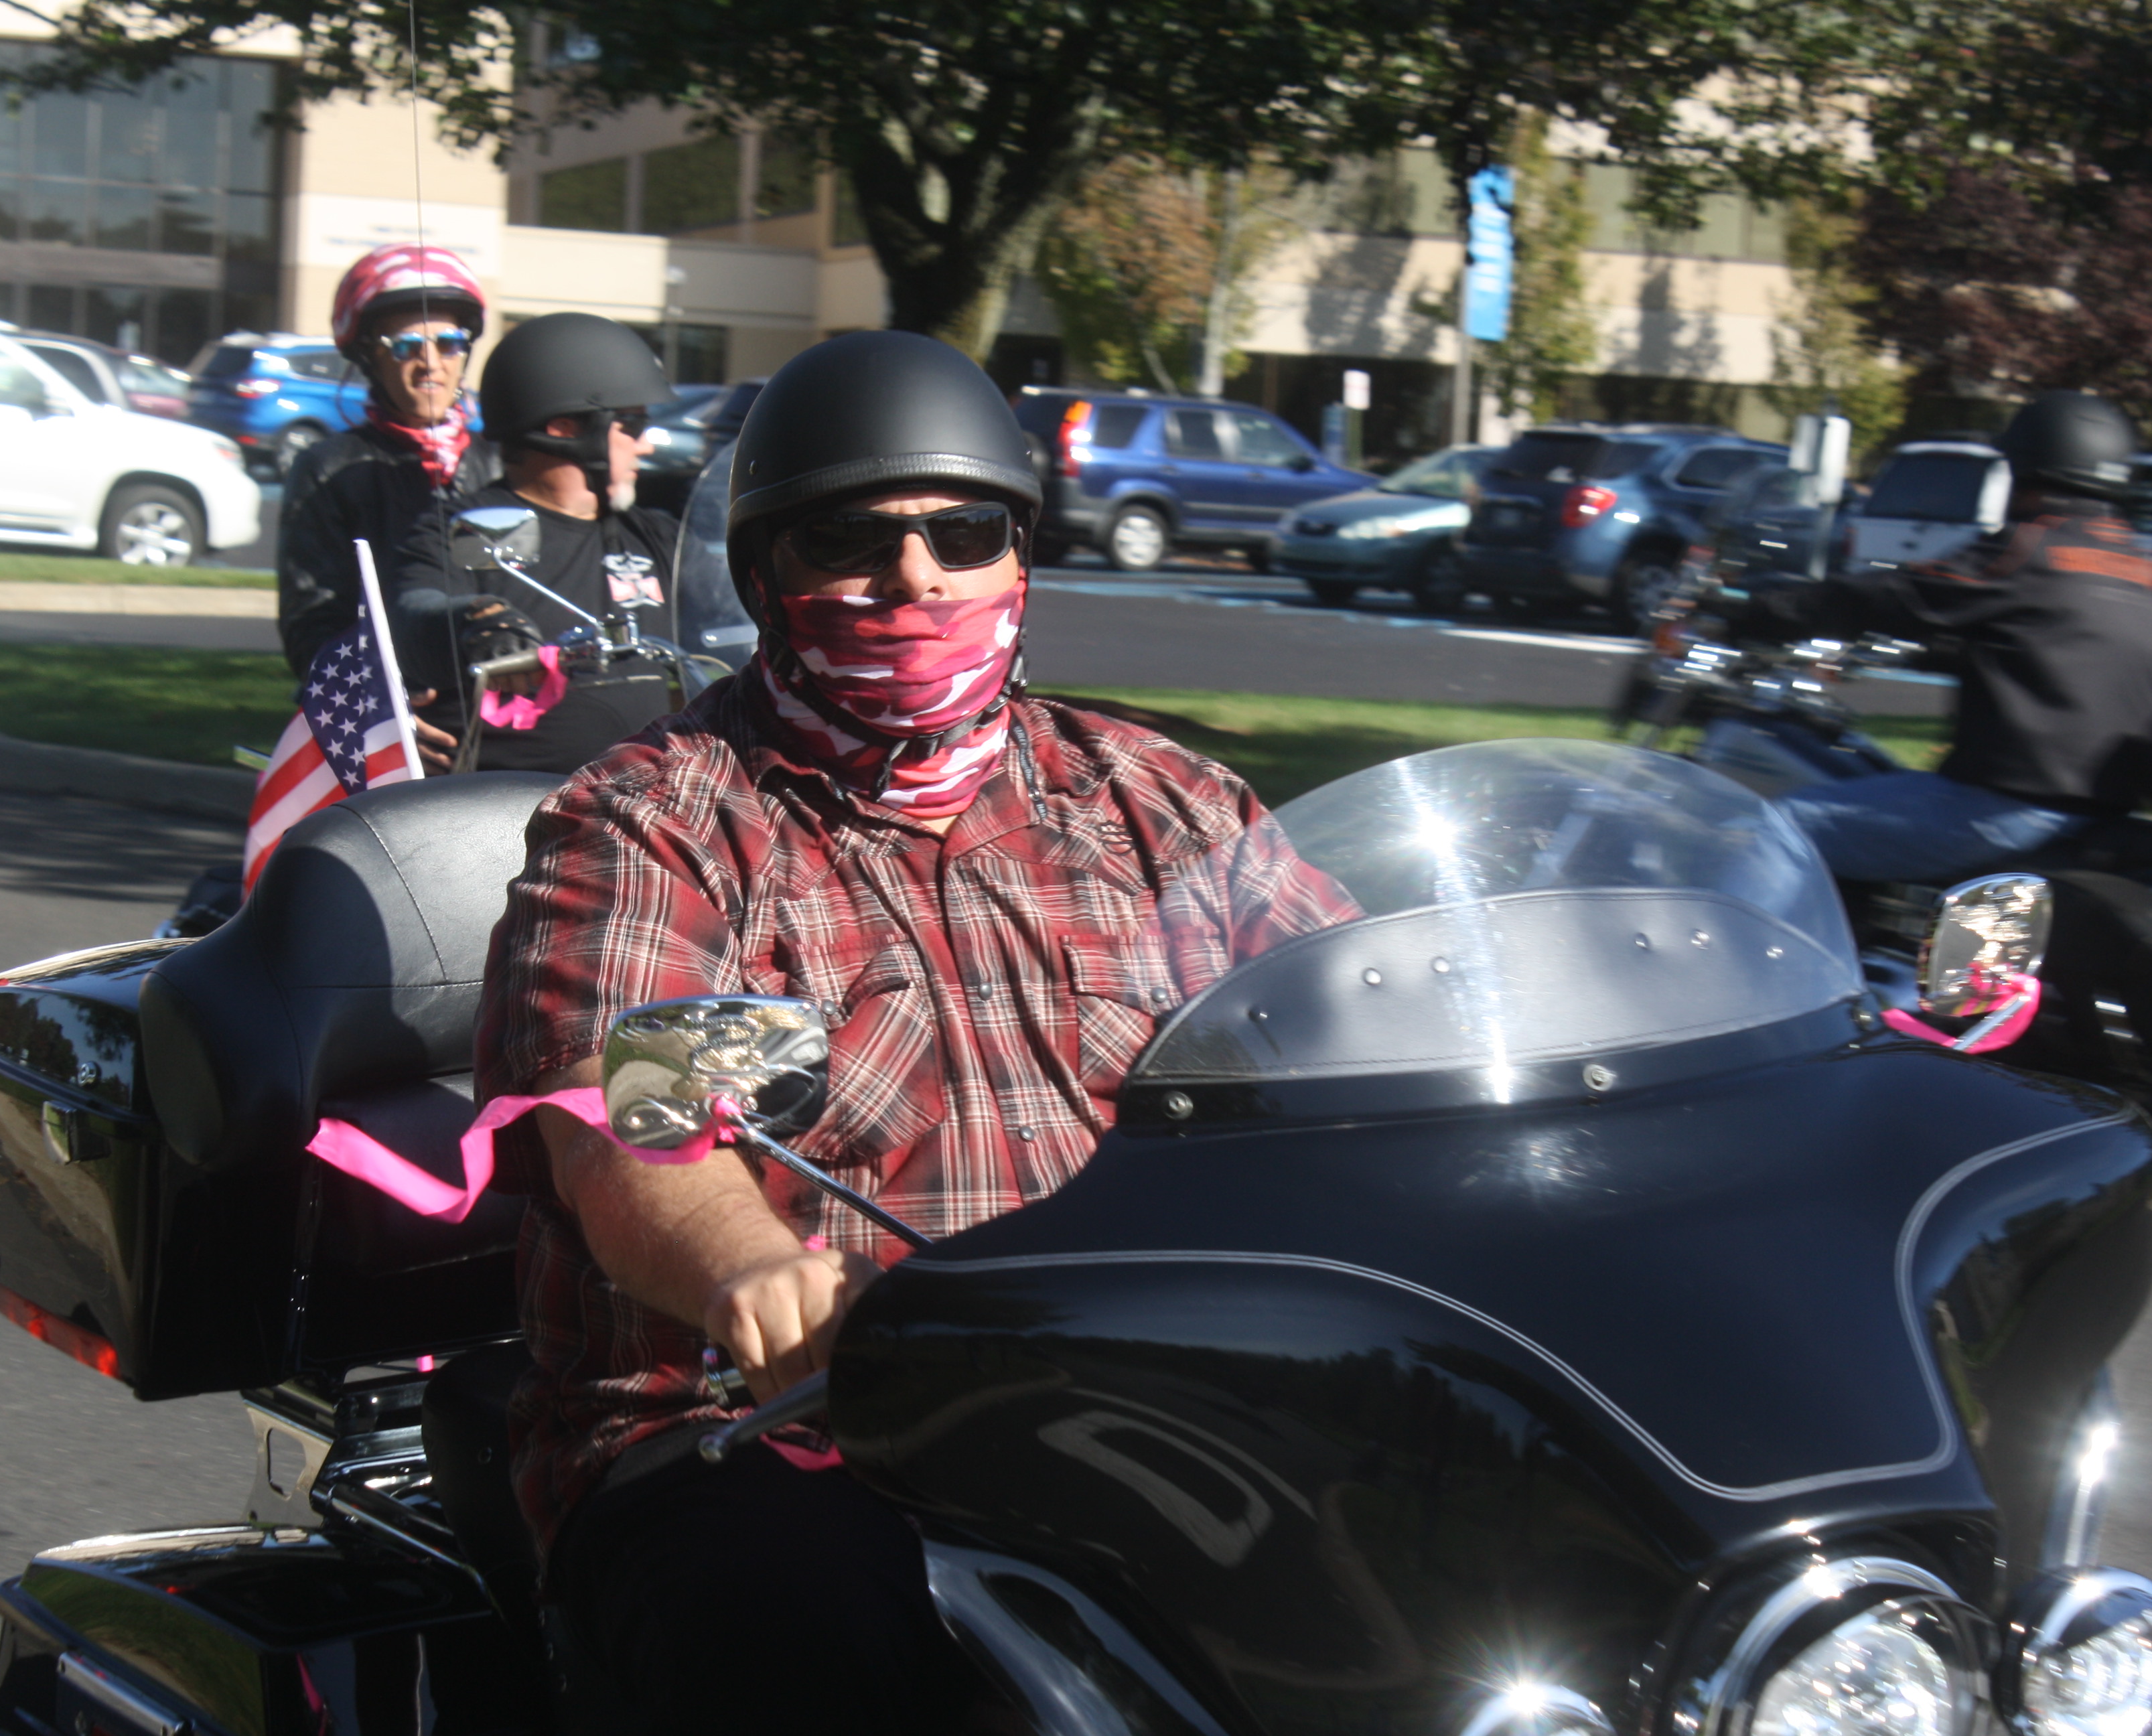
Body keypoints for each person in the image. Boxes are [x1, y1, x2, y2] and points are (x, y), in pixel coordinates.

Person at [470, 330, 1356, 1729]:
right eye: (854, 539)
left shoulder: (1164, 802)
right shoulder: (663, 819)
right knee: (820, 1629)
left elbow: (1368, 1035)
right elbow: (625, 1115)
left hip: (1147, 1405)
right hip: (764, 1433)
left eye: (965, 529)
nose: (918, 576)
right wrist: (750, 1267)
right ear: (769, 574)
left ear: (1020, 557)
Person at [1725, 390, 2152, 883]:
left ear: (2026, 469)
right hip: (2100, 808)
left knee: (1778, 825)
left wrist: (1756, 610)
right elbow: (2045, 647)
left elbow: (1898, 595)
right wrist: (1935, 653)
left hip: (2007, 809)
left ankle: (1734, 961)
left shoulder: (2028, 549)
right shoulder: (2144, 567)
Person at [390, 311, 683, 775]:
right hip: (503, 820)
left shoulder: (658, 537)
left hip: (648, 816)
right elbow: (415, 609)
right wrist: (475, 621)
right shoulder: (465, 529)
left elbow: (732, 624)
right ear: (564, 428)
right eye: (631, 426)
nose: (646, 445)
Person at [278, 244, 499, 738]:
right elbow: (311, 624)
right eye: (405, 346)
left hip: (503, 721)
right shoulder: (329, 469)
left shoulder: (502, 459)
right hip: (390, 730)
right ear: (368, 357)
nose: (431, 364)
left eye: (449, 343)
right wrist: (380, 710)